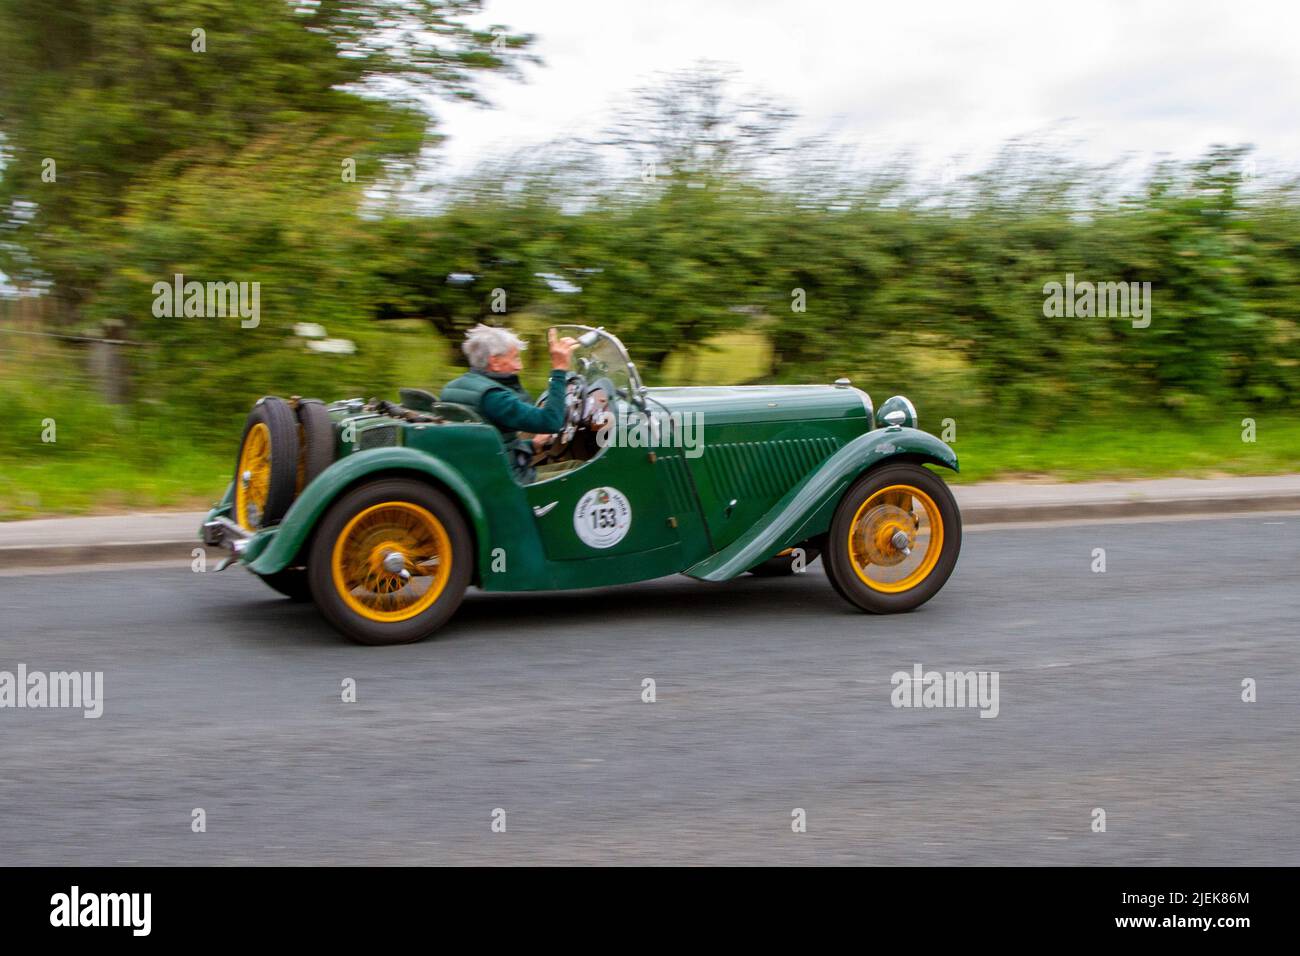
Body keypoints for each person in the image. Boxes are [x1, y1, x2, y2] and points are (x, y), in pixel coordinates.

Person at [441, 325, 578, 482]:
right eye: (515, 358)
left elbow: (490, 445)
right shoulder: (493, 396)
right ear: (496, 362)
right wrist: (559, 369)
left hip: (477, 473)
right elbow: (551, 422)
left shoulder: (451, 388)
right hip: (508, 481)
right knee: (578, 469)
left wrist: (532, 445)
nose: (519, 366)